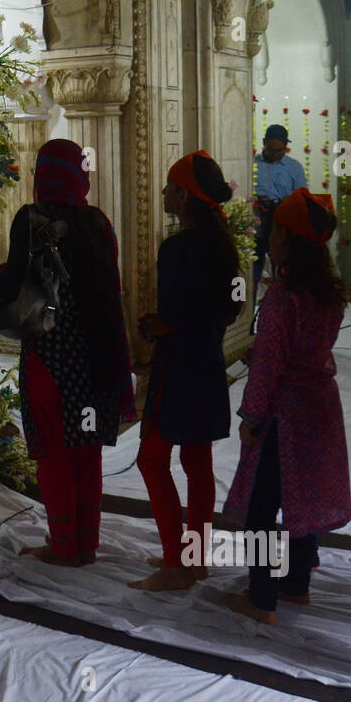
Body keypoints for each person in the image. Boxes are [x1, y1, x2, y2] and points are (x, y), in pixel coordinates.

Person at [0, 139, 135, 566]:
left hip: (50, 354)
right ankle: (86, 544)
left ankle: (63, 545)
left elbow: (14, 285)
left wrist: (1, 276)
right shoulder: (98, 223)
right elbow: (111, 293)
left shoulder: (31, 220)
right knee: (85, 450)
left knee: (53, 452)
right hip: (94, 354)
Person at [221, 188, 351, 623]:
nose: (269, 235)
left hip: (285, 414)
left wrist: (251, 416)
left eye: (276, 228)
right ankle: (296, 585)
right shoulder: (329, 294)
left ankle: (260, 598)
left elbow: (271, 366)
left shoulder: (282, 296)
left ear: (289, 239)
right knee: (303, 496)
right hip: (320, 407)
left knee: (262, 506)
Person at [130, 150, 242, 592]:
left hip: (178, 366)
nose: (163, 194)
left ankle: (176, 563)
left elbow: (177, 313)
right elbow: (228, 308)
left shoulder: (177, 248)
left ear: (183, 196)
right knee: (197, 462)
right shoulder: (222, 245)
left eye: (169, 187)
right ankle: (194, 559)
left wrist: (161, 326)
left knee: (151, 459)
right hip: (208, 364)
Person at [250, 125, 308, 295]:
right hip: (258, 223)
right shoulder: (253, 164)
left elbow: (301, 196)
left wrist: (284, 203)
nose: (274, 155)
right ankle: (248, 315)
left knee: (283, 272)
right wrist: (256, 200)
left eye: (279, 151)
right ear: (263, 144)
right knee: (253, 270)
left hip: (282, 225)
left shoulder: (294, 167)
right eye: (270, 150)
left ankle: (282, 310)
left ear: (285, 147)